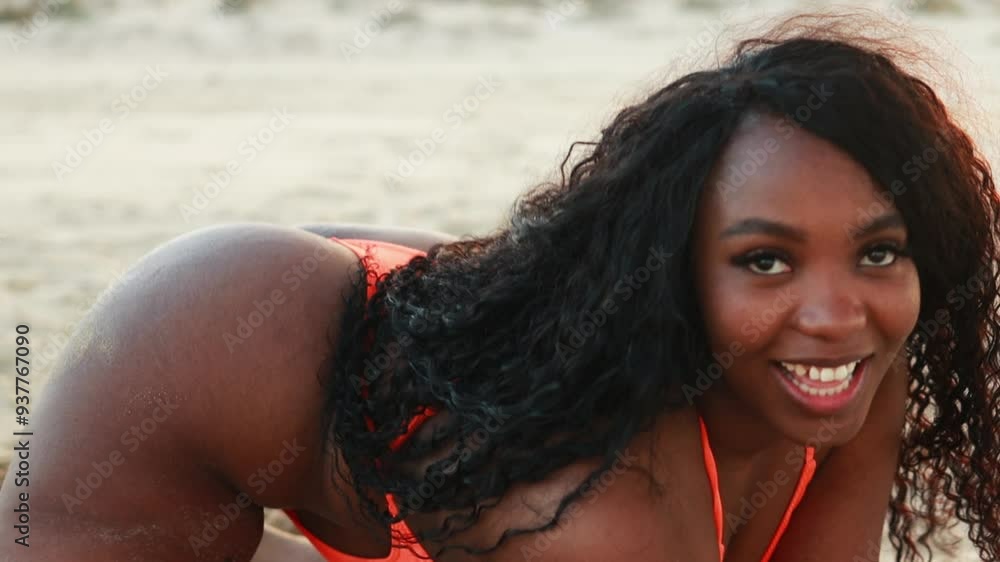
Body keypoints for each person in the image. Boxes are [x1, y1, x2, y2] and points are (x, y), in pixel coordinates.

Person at [2, 12, 998, 562]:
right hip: (203, 370)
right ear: (667, 274)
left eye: (878, 251)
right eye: (763, 259)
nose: (834, 312)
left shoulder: (854, 351)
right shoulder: (610, 504)